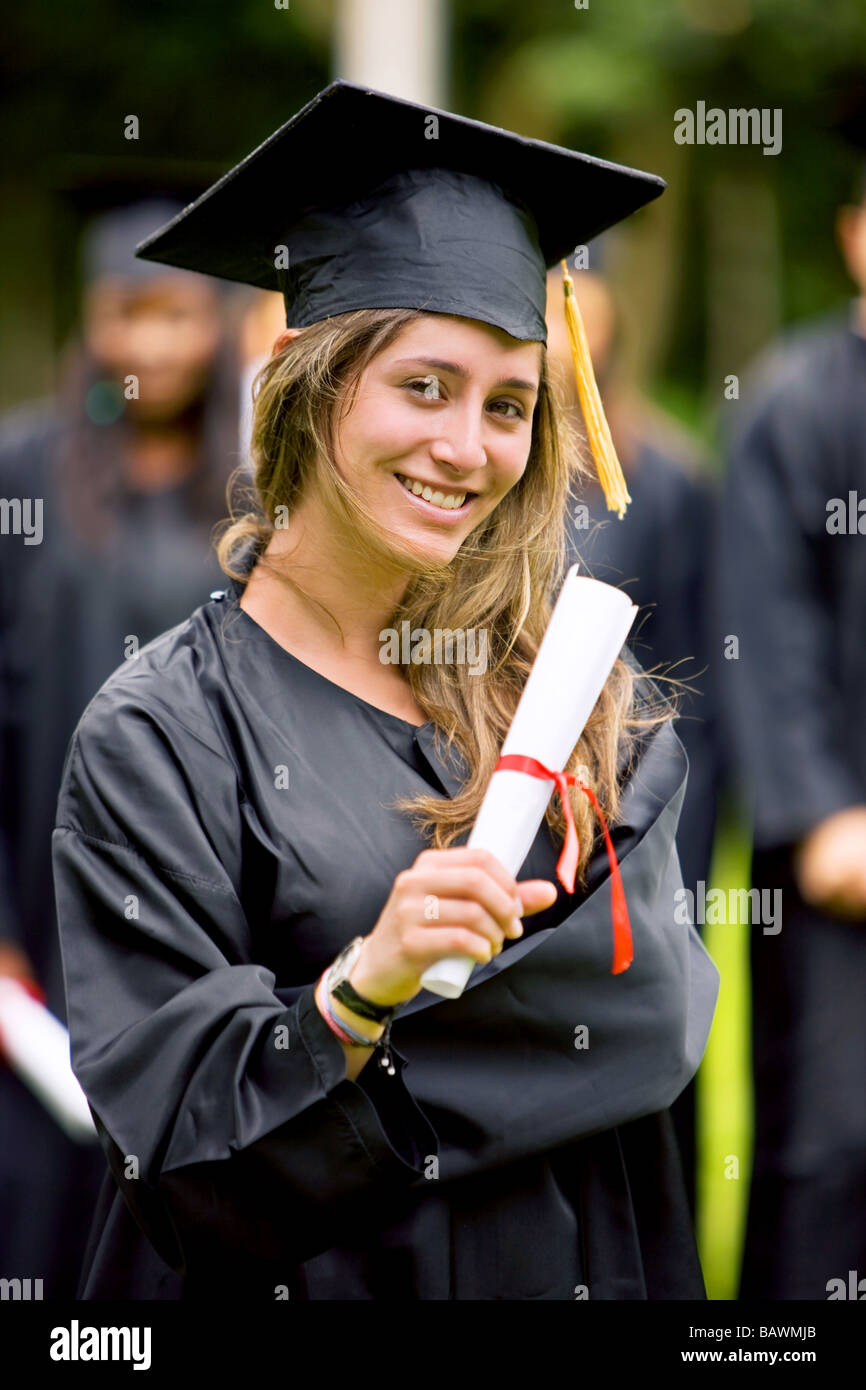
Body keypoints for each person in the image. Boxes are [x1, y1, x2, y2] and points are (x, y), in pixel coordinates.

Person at [51, 81, 719, 1301]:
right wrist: (364, 982)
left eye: (509, 404)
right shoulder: (161, 735)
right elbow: (178, 1152)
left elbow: (651, 1017)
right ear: (308, 380)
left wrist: (323, 1053)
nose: (467, 446)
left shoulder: (570, 700)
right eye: (423, 386)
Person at [0, 199, 240, 1297]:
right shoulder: (24, 478)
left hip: (198, 895)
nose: (154, 344)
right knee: (39, 1185)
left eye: (180, 314)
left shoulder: (254, 498)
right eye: (128, 315)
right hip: (36, 914)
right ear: (91, 327)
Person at [546, 255, 722, 1213]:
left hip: (636, 820)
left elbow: (704, 688)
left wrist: (669, 848)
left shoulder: (668, 478)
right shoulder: (482, 479)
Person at [718, 166, 866, 1300]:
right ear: (853, 236)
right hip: (838, 867)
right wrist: (819, 814)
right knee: (830, 1148)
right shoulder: (796, 401)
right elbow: (761, 619)